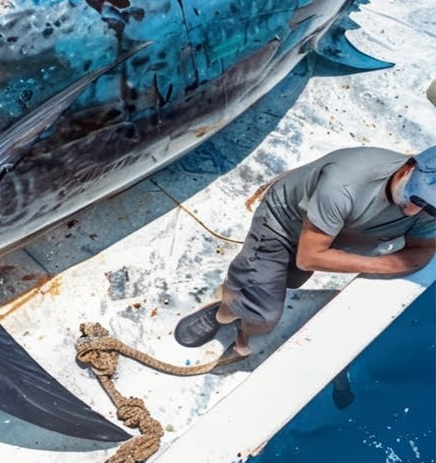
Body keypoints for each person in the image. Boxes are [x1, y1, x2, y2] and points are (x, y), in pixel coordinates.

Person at [174, 146, 436, 361]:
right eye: (417, 197)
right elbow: (310, 257)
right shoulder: (345, 183)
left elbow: (424, 249)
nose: (414, 212)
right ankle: (226, 314)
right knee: (263, 313)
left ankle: (244, 300)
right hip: (281, 224)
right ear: (407, 169)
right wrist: (384, 264)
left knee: (291, 280)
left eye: (429, 208)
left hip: (332, 237)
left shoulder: (427, 207)